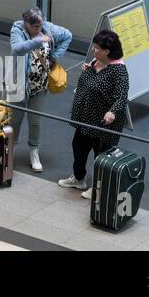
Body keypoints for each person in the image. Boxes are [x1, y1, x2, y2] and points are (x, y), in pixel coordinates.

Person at [58, 30, 130, 198]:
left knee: (101, 156)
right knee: (78, 147)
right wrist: (87, 70)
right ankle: (78, 178)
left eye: (97, 48)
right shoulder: (96, 61)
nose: (93, 50)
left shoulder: (119, 71)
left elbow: (121, 97)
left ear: (107, 51)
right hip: (86, 117)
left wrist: (112, 112)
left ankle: (99, 188)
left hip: (103, 123)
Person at [8, 7, 73, 173]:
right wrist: (38, 40)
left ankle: (34, 151)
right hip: (19, 84)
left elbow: (67, 36)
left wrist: (55, 57)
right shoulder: (17, 30)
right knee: (15, 119)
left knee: (35, 121)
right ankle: (10, 148)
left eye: (40, 25)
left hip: (40, 85)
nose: (38, 29)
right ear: (26, 24)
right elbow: (18, 48)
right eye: (34, 26)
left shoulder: (47, 28)